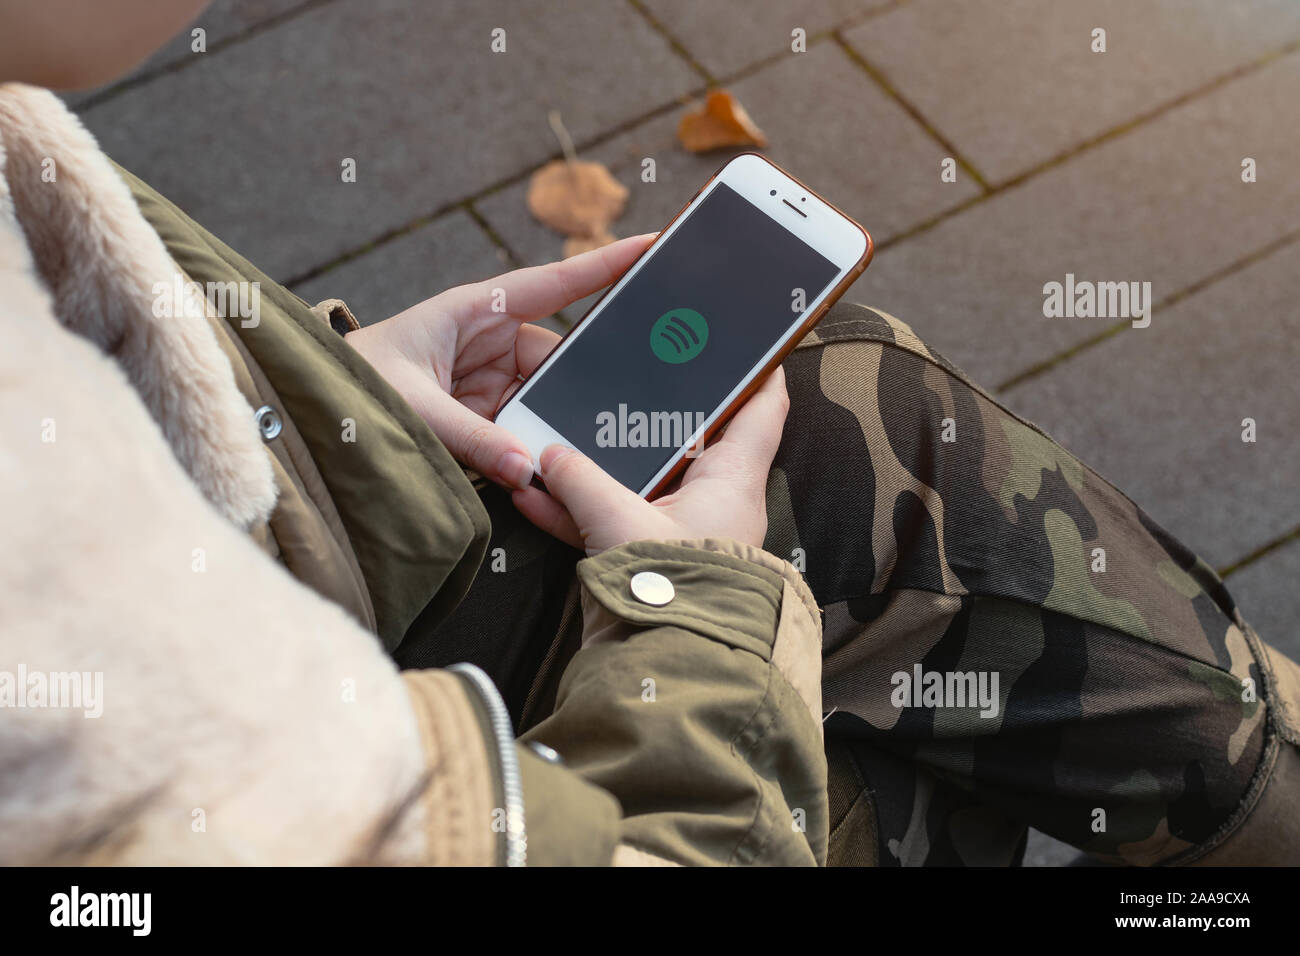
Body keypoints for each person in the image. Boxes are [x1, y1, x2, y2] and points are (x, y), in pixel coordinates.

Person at [1, 0, 1295, 866]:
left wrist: (333, 408)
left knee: (849, 422)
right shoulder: (71, 678)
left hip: (397, 603)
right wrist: (704, 609)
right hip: (506, 750)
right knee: (883, 484)